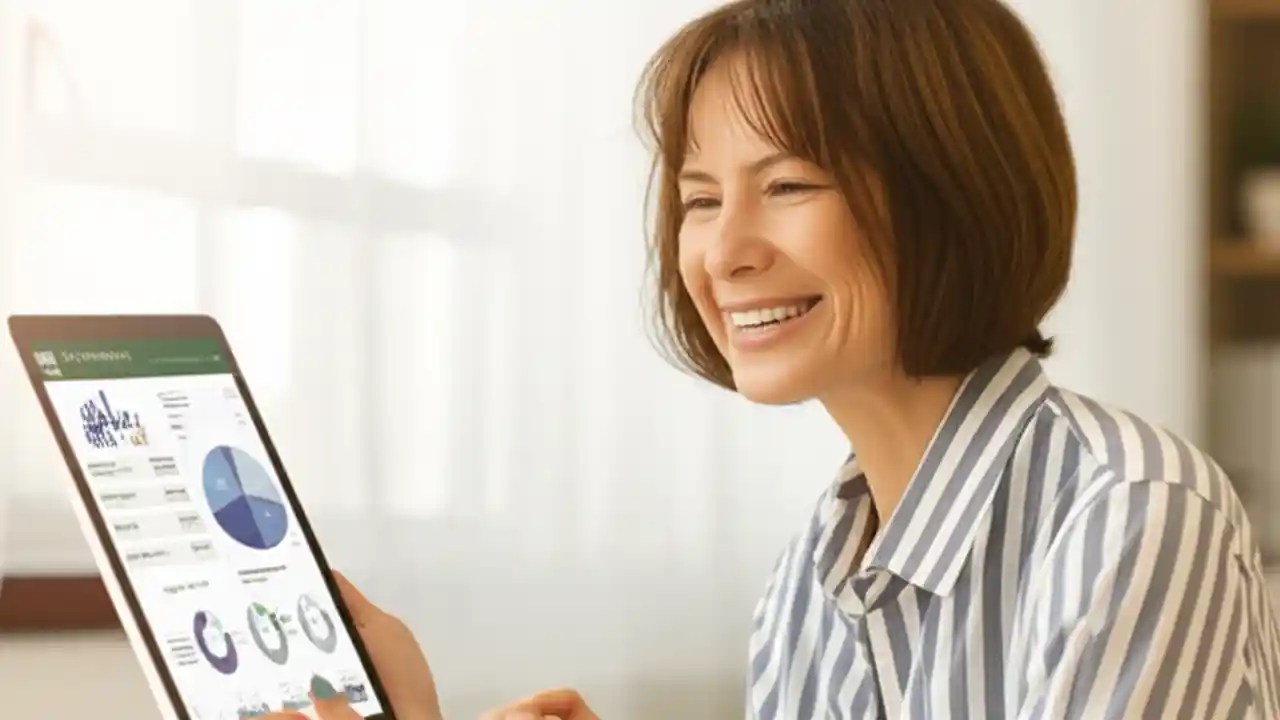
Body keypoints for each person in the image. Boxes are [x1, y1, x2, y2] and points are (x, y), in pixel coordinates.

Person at [260, 0, 1280, 717]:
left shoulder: (1128, 514)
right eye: (700, 199)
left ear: (950, 189)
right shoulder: (809, 579)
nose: (723, 250)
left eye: (787, 185)